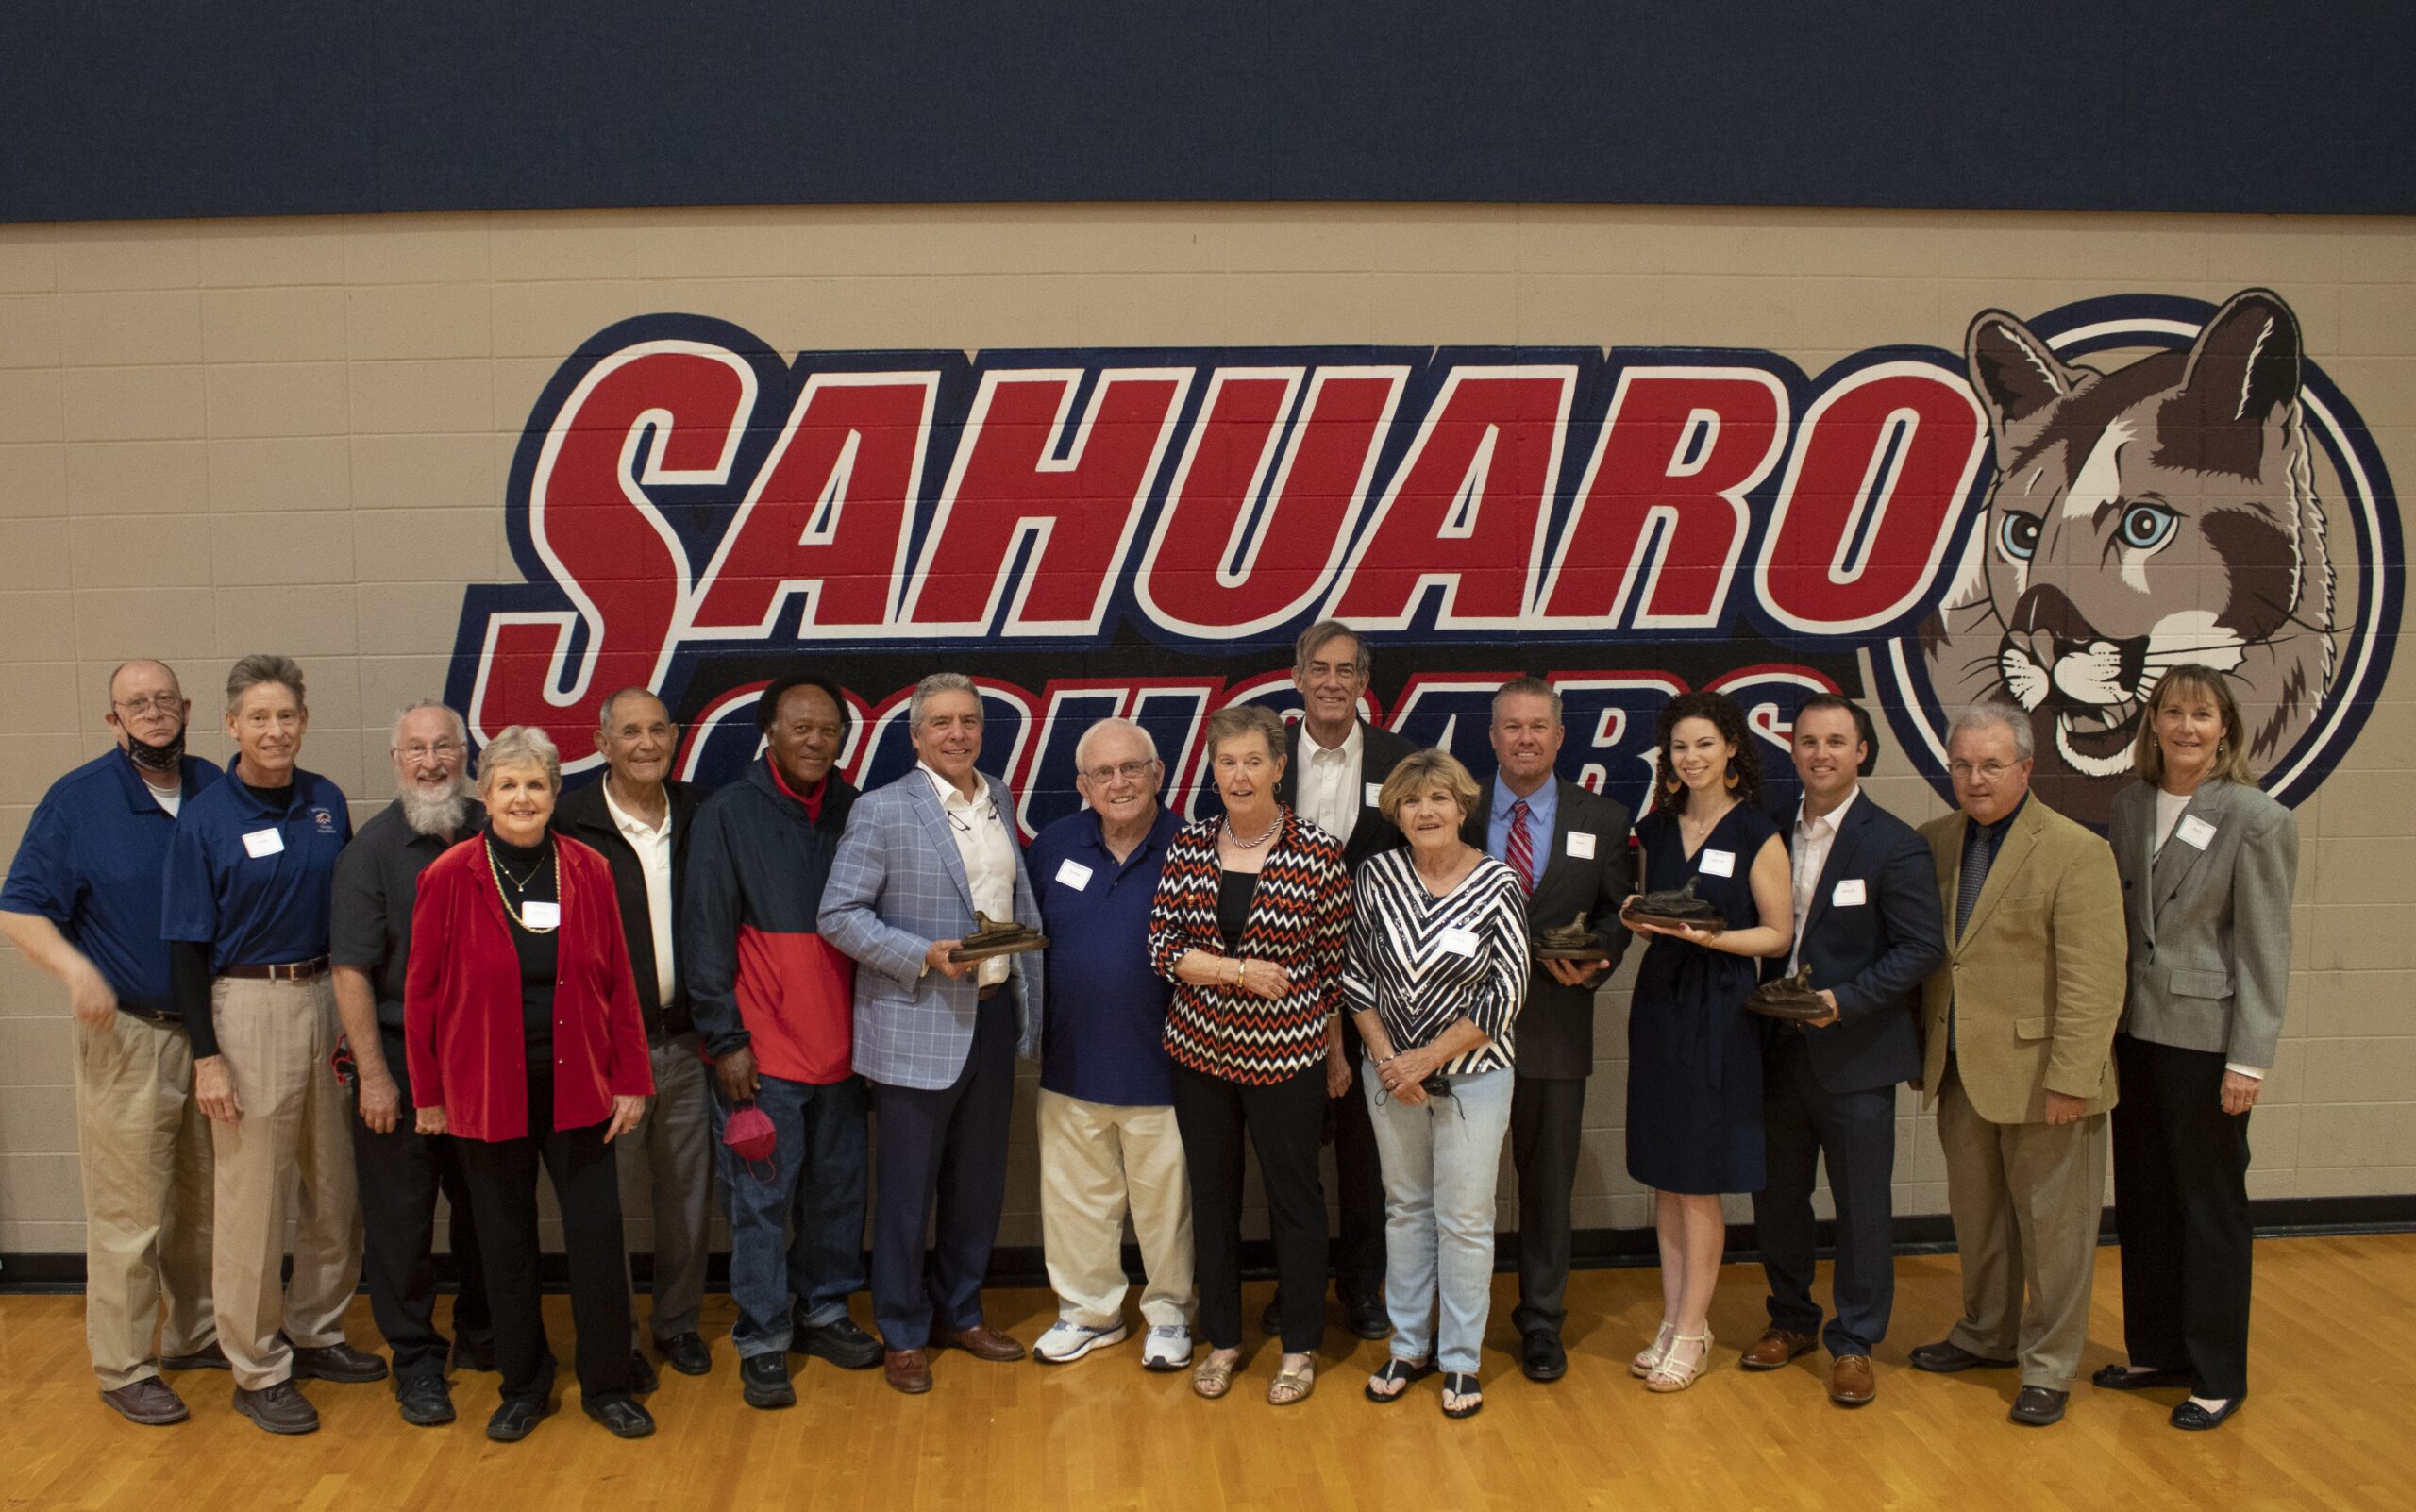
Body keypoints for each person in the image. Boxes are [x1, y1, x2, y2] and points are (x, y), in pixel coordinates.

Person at [404, 725, 657, 1441]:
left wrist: (632, 1079)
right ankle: (523, 1383)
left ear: (554, 794)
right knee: (505, 1246)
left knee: (598, 1242)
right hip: (486, 1092)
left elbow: (618, 982)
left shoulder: (587, 868)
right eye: (508, 784)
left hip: (582, 1090)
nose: (523, 797)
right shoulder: (449, 874)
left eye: (536, 784)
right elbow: (421, 994)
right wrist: (428, 1094)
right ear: (484, 795)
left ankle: (607, 1383)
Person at [159, 655, 383, 1435]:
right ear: (230, 726)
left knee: (338, 1184)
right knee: (253, 1201)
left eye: (286, 716)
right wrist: (207, 1055)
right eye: (259, 717)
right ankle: (255, 1365)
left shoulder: (325, 801)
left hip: (329, 996)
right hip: (247, 1004)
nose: (275, 730)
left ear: (303, 722)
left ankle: (317, 1330)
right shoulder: (206, 817)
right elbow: (185, 948)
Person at [1, 661, 223, 1426]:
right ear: (113, 719)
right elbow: (20, 909)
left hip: (214, 1037)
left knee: (207, 1202)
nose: (154, 713)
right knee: (131, 1213)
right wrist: (74, 971)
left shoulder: (214, 786)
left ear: (187, 708)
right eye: (137, 704)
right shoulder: (78, 800)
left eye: (165, 700)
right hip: (128, 1035)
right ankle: (125, 1364)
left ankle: (197, 1336)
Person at [820, 673, 1045, 1395]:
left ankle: (961, 1310)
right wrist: (921, 955)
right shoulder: (884, 811)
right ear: (915, 736)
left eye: (969, 721)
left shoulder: (999, 797)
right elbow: (840, 915)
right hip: (916, 1023)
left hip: (991, 1013)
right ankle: (905, 1331)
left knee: (978, 1185)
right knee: (907, 1194)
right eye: (941, 723)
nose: (958, 734)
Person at [1910, 701, 2124, 1428]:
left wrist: (2074, 1075)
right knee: (1981, 1221)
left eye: (1992, 765)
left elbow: (2097, 979)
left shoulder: (2075, 850)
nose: (1975, 779)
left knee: (2055, 1233)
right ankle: (1985, 1333)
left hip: (2047, 1078)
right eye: (1963, 765)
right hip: (1962, 1068)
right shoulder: (1935, 842)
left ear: (2026, 768)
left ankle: (2050, 1366)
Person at [2095, 666, 2297, 1431]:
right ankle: (2157, 1350)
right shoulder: (2129, 804)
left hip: (2208, 1042)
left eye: (2201, 714)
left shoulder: (2256, 817)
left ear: (2226, 728)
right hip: (2135, 1033)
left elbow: (2263, 948)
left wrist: (2250, 1058)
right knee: (2145, 1200)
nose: (2185, 727)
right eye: (2171, 712)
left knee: (2210, 1207)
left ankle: (2216, 1373)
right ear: (2152, 723)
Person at [685, 674, 882, 1410]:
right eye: (799, 727)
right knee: (761, 1204)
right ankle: (763, 1337)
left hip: (846, 1051)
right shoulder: (729, 813)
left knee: (838, 1195)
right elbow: (704, 932)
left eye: (827, 730)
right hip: (761, 1056)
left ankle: (824, 1311)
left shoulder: (857, 811)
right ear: (770, 731)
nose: (814, 740)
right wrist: (725, 1039)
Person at [1740, 695, 1942, 1406]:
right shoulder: (1765, 831)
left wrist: (1841, 1003)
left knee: (1862, 1205)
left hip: (1856, 1057)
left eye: (1836, 741)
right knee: (1779, 1200)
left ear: (1862, 753)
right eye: (1807, 741)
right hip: (1774, 1051)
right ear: (1791, 752)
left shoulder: (1893, 842)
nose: (1820, 753)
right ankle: (1791, 1319)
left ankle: (1854, 1341)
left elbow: (1921, 947)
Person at [1149, 703, 1352, 1407]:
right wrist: (1236, 972)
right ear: (1212, 768)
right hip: (1199, 1054)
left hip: (1285, 1058)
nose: (1239, 775)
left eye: (1253, 762)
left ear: (1278, 768)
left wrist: (1332, 1053)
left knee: (1296, 1201)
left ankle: (1298, 1348)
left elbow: (1331, 970)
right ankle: (1225, 1340)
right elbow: (1161, 949)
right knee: (1212, 1200)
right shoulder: (1189, 846)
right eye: (1226, 762)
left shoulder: (1319, 853)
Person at [1458, 675, 1634, 1384]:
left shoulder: (1605, 818)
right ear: (1492, 735)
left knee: (1546, 1188)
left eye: (1539, 726)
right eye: (1512, 726)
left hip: (1556, 1029)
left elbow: (1621, 917)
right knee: (1457, 1191)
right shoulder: (1455, 810)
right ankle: (1454, 1321)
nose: (1525, 738)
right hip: (1460, 1032)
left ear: (1560, 737)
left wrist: (1595, 962)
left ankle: (1540, 1323)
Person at [328, 699, 497, 1426]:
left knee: (488, 1211)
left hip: (485, 1063)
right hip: (399, 1060)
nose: (431, 761)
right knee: (401, 1224)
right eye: (416, 749)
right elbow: (351, 972)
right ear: (396, 761)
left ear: (467, 755)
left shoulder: (501, 832)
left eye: (444, 746)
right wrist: (374, 1076)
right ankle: (417, 1362)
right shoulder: (371, 851)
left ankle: (485, 1336)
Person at [1619, 689, 1794, 1393]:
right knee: (1666, 1174)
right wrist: (1639, 920)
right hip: (1660, 1000)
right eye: (1680, 747)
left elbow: (1778, 933)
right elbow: (1647, 906)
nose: (1691, 758)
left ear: (1731, 750)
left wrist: (1713, 936)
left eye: (1704, 745)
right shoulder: (1657, 827)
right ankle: (1672, 1319)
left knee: (1698, 1182)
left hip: (1719, 1007)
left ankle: (1693, 1329)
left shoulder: (1758, 831)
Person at [1347, 748, 1528, 1419]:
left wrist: (1423, 1060)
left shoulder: (1498, 884)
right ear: (1395, 811)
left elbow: (1505, 992)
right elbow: (1356, 974)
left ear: (1462, 808)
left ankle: (1459, 1359)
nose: (1426, 812)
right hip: (1388, 1074)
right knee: (1406, 1211)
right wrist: (1389, 1058)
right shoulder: (1376, 876)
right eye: (1412, 801)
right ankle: (1407, 1345)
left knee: (1466, 1219)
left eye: (1439, 800)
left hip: (1473, 1078)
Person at [551, 687, 712, 1381]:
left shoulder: (702, 814)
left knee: (687, 1201)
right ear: (601, 742)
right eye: (630, 732)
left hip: (686, 1044)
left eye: (658, 730)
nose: (646, 744)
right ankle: (615, 1339)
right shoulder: (569, 824)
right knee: (606, 1208)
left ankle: (676, 1325)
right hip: (607, 1057)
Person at [1026, 718, 1194, 1370]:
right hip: (1071, 1062)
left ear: (1158, 775)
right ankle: (1089, 1314)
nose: (1119, 782)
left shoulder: (1192, 846)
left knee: (1166, 1207)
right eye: (1104, 772)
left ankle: (1171, 1315)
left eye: (1132, 768)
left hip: (1169, 1065)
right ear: (1082, 785)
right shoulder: (1055, 846)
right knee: (1075, 1201)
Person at [1267, 619, 1414, 1340]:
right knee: (1288, 1149)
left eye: (1346, 670)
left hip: (1376, 990)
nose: (1332, 682)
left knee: (1365, 1152)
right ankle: (1292, 1286)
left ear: (1364, 683)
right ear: (1298, 678)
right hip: (1281, 987)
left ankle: (1363, 1288)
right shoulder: (1260, 759)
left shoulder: (1403, 760)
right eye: (1319, 668)